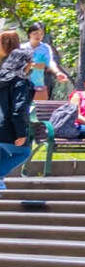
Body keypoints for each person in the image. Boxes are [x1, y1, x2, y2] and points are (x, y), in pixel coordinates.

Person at [0, 30, 38, 208]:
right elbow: (18, 109)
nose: (31, 65)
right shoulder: (20, 82)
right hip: (6, 129)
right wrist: (21, 133)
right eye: (30, 62)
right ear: (24, 63)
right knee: (23, 152)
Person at [21, 23, 66, 99]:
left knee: (38, 109)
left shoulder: (45, 48)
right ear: (29, 34)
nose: (38, 36)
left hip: (38, 85)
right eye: (35, 33)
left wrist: (57, 72)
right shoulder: (22, 48)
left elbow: (50, 62)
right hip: (22, 85)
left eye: (41, 34)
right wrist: (33, 65)